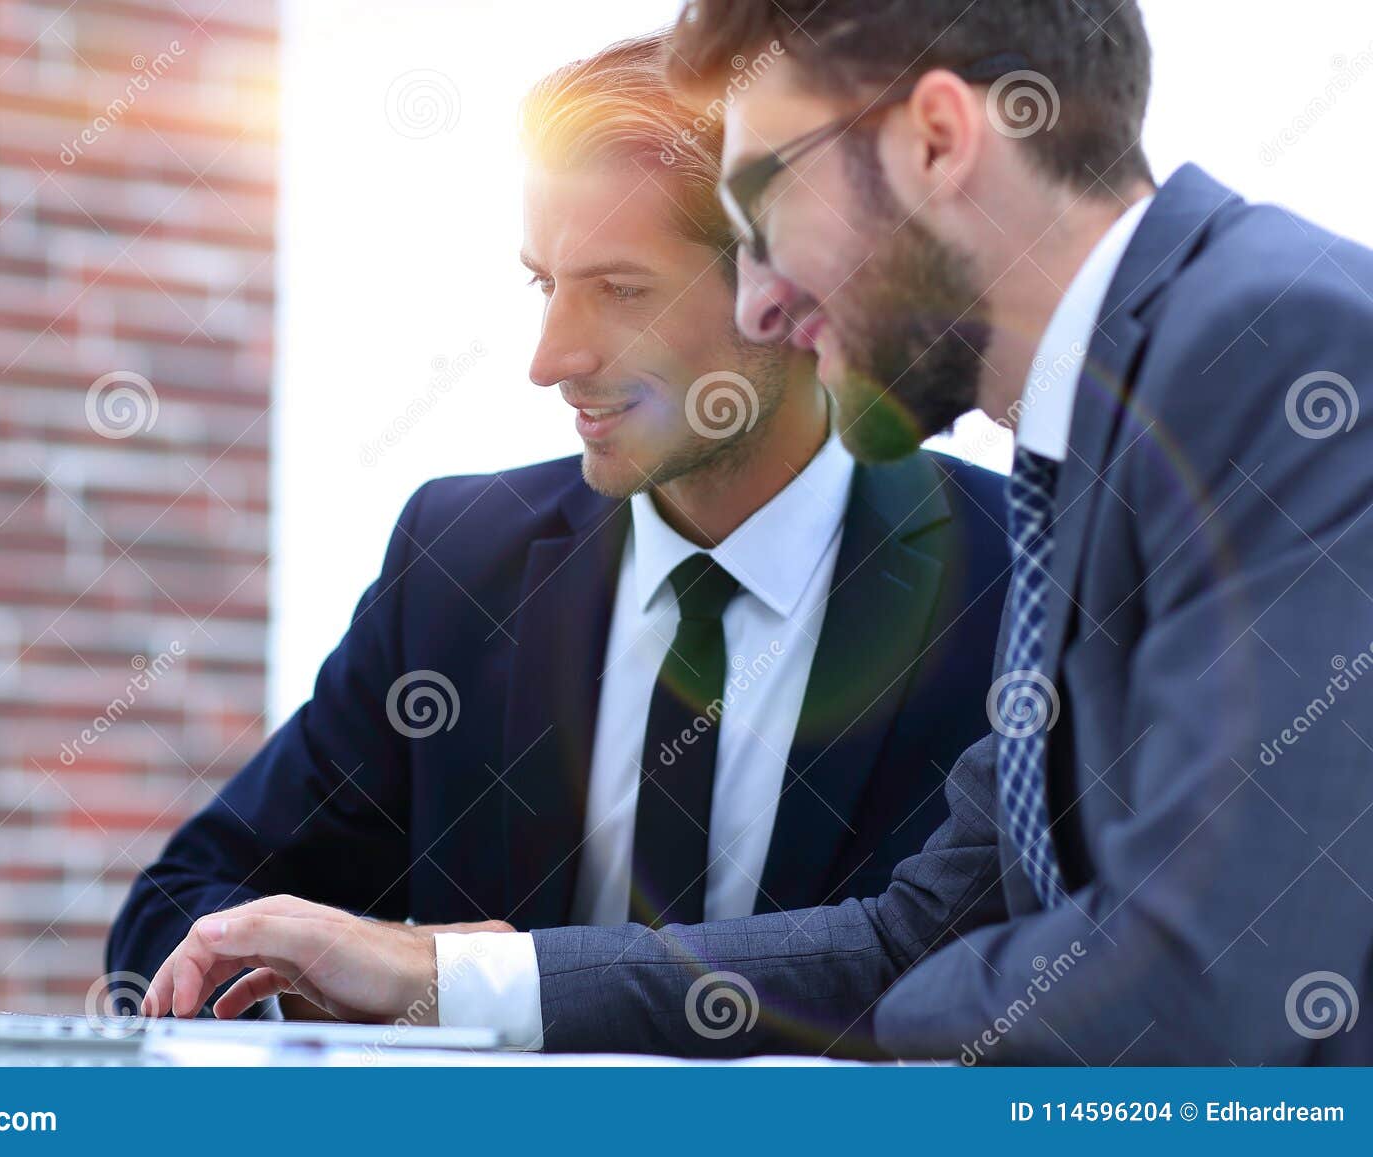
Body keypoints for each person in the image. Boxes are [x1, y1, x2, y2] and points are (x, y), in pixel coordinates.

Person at [140, 0, 1373, 1065]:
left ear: (939, 142)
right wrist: (450, 981)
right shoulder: (1099, 435)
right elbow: (922, 934)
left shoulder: (1274, 346)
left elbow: (1212, 980)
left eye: (769, 197)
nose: (766, 298)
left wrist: (855, 1052)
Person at [110, 30, 1010, 1021]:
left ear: (794, 288)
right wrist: (335, 990)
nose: (550, 357)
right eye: (546, 283)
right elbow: (181, 905)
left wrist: (464, 984)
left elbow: (978, 976)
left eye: (620, 290)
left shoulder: (1013, 580)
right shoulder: (459, 560)